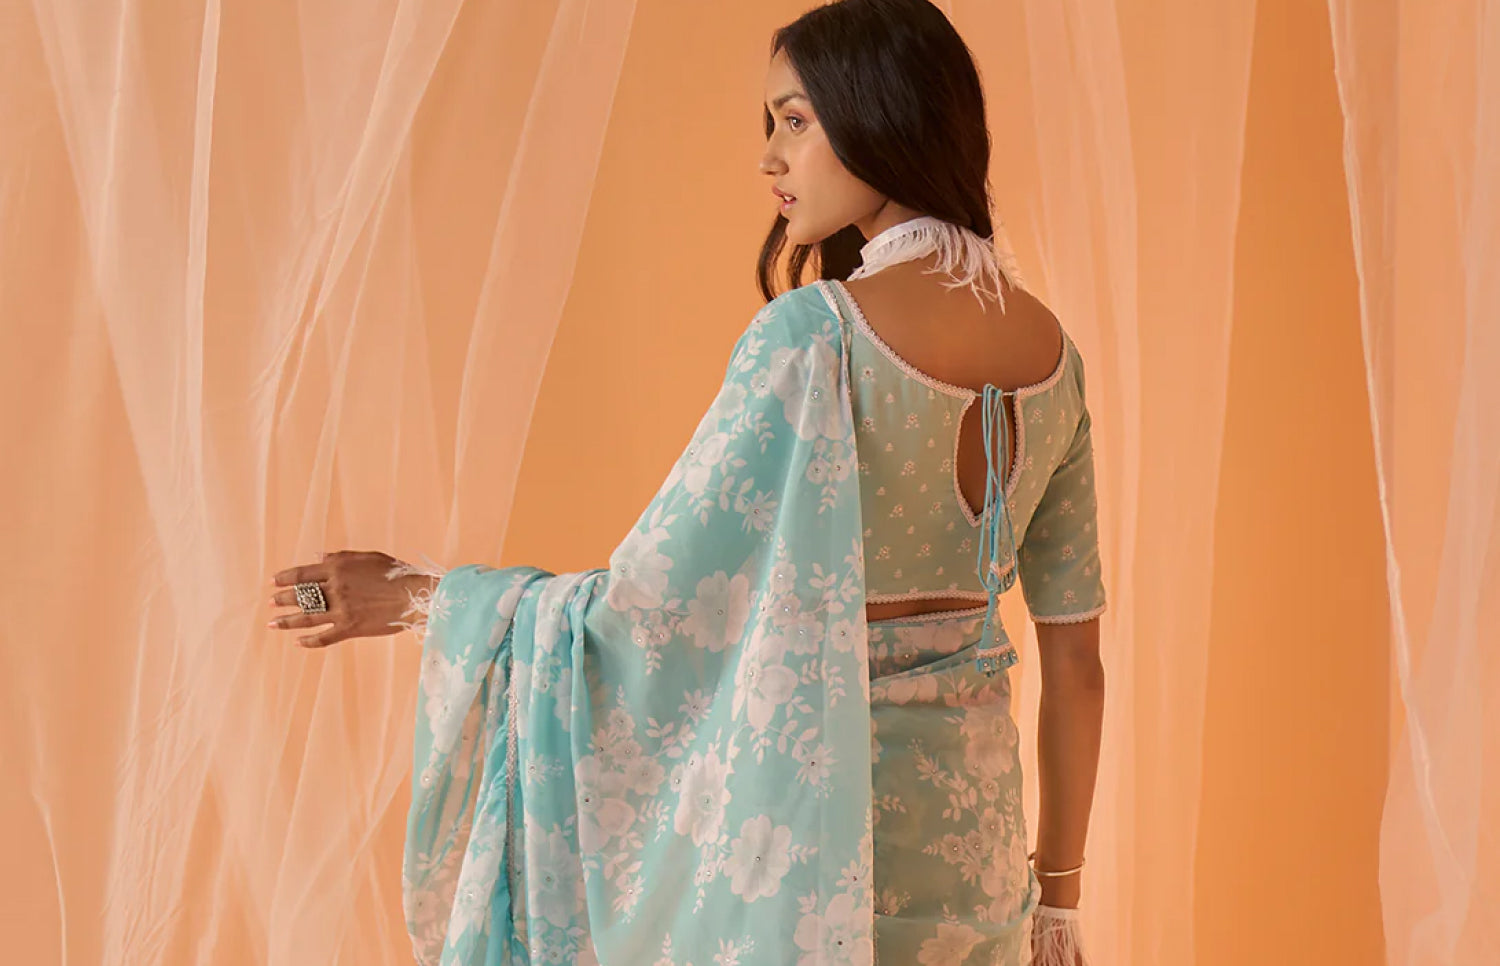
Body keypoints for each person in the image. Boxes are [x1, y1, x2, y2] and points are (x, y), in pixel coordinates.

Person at [268, 2, 1105, 963]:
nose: (770, 158)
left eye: (795, 120)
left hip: (814, 868)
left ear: (881, 113)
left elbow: (647, 616)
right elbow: (1076, 668)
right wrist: (1058, 905)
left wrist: (421, 598)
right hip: (983, 882)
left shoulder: (815, 341)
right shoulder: (1056, 361)